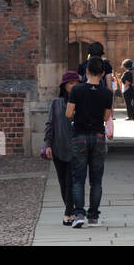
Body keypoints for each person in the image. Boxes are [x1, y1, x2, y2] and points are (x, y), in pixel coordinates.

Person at [65, 55, 114, 228]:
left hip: (79, 136)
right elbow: (106, 116)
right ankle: (93, 216)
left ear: (86, 71)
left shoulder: (77, 90)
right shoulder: (107, 93)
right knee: (96, 180)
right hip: (98, 137)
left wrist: (80, 114)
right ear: (102, 74)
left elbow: (68, 113)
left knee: (78, 179)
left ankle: (79, 214)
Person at [42, 70, 81, 225]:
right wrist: (47, 144)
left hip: (76, 148)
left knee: (71, 181)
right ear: (64, 86)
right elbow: (49, 125)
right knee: (63, 182)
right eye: (71, 83)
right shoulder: (56, 103)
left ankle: (68, 213)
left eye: (77, 83)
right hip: (58, 147)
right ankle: (70, 211)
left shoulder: (82, 102)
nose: (74, 86)